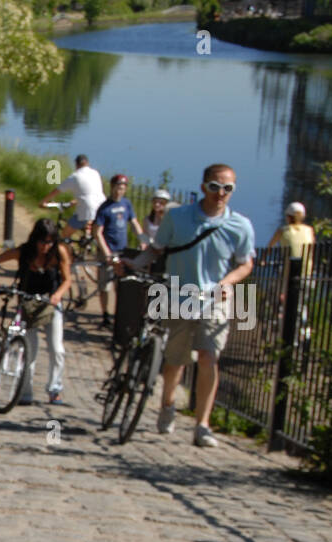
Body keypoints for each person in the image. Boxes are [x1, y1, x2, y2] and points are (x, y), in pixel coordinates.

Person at [120, 163, 255, 448]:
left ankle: (202, 425)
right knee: (175, 361)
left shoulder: (240, 226)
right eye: (216, 186)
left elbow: (246, 264)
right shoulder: (177, 217)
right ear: (204, 186)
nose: (221, 194)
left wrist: (228, 282)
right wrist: (136, 263)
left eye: (228, 188)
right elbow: (157, 249)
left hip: (214, 301)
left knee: (208, 357)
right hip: (179, 296)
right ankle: (168, 405)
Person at [0, 218, 73, 405]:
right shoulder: (23, 252)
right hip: (27, 304)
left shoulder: (59, 253)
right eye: (42, 241)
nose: (46, 246)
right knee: (28, 349)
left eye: (50, 242)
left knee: (57, 349)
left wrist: (58, 295)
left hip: (49, 303)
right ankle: (25, 391)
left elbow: (67, 279)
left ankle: (55, 388)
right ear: (35, 239)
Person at [93, 174, 143, 328]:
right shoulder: (104, 208)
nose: (119, 191)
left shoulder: (127, 204)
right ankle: (105, 314)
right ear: (112, 187)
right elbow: (97, 232)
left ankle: (118, 315)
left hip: (122, 252)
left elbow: (134, 223)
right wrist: (106, 252)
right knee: (105, 285)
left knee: (120, 285)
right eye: (117, 188)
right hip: (108, 251)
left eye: (122, 189)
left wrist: (143, 240)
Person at [266, 201, 315, 338]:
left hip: (289, 274)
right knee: (302, 303)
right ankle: (304, 330)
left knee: (283, 298)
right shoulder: (309, 230)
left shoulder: (283, 230)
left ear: (288, 217)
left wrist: (263, 259)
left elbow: (269, 247)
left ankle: (283, 325)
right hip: (307, 274)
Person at [40, 154, 105, 242]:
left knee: (63, 235)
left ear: (76, 165)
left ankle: (64, 249)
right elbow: (90, 193)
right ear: (88, 163)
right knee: (90, 231)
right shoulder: (95, 173)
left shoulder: (75, 176)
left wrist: (43, 202)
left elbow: (56, 191)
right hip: (102, 207)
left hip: (86, 210)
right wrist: (74, 202)